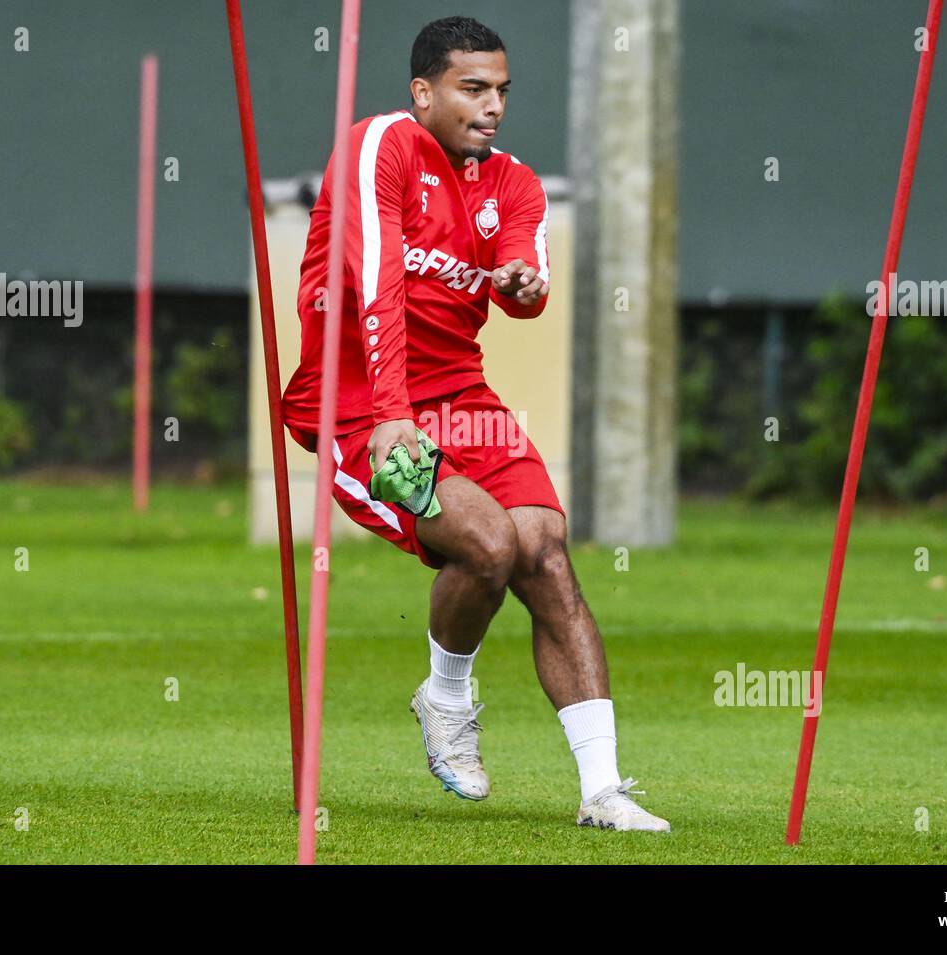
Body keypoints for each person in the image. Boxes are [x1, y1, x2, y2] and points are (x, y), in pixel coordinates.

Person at [282, 15, 668, 832]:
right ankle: (447, 698)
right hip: (356, 400)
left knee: (545, 549)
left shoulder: (512, 182)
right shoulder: (380, 143)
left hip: (462, 396)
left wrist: (523, 285)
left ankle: (603, 789)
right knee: (488, 544)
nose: (492, 106)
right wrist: (389, 417)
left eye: (501, 91)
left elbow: (525, 290)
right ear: (423, 92)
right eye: (472, 89)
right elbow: (379, 281)